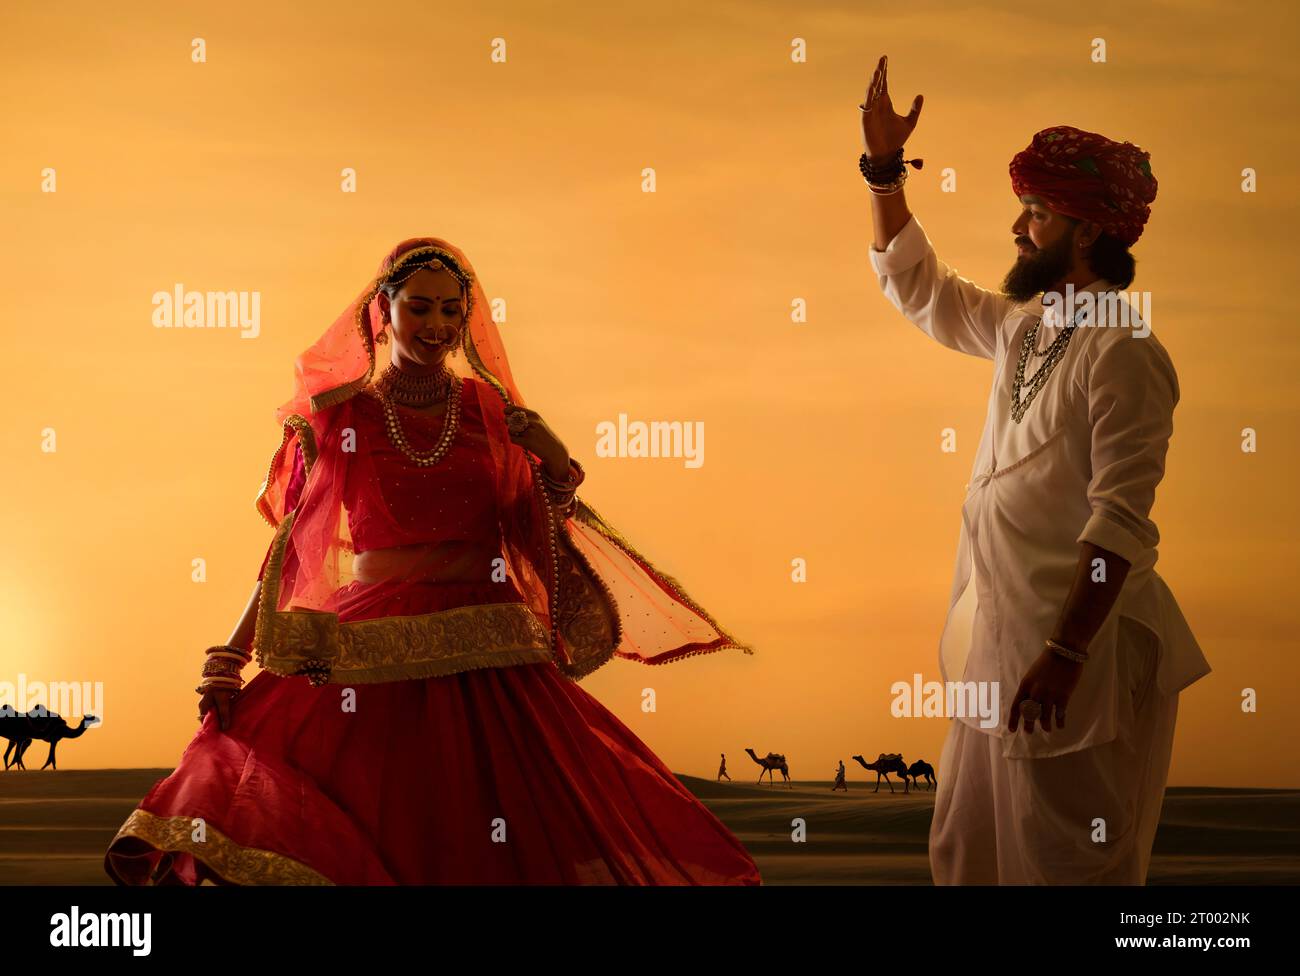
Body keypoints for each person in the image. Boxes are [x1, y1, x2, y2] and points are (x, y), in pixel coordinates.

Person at [104, 237, 762, 886]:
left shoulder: (490, 411)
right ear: (382, 309)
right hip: (369, 647)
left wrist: (556, 461)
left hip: (490, 652)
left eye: (452, 311)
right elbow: (290, 547)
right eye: (420, 308)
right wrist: (228, 657)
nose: (438, 327)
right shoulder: (340, 418)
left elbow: (530, 525)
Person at [859, 56, 1210, 884]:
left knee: (1063, 864)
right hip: (998, 650)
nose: (1019, 230)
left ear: (1088, 231)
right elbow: (923, 291)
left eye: (1037, 213)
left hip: (1077, 663)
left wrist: (1065, 652)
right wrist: (882, 170)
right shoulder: (1026, 326)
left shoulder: (1125, 351)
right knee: (966, 855)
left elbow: (1118, 521)